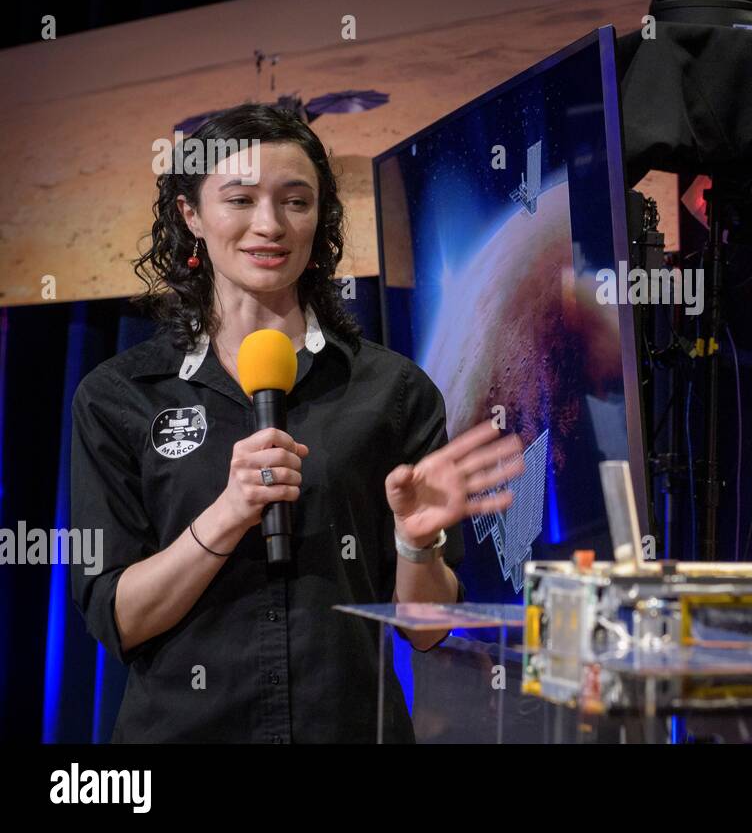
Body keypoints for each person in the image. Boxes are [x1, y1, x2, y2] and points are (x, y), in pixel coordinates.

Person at [70, 103, 523, 743]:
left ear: (320, 220)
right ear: (191, 215)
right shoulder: (119, 397)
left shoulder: (392, 391)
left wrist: (415, 542)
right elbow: (118, 618)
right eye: (240, 199)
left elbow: (426, 629)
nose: (269, 225)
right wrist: (228, 513)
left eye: (296, 201)